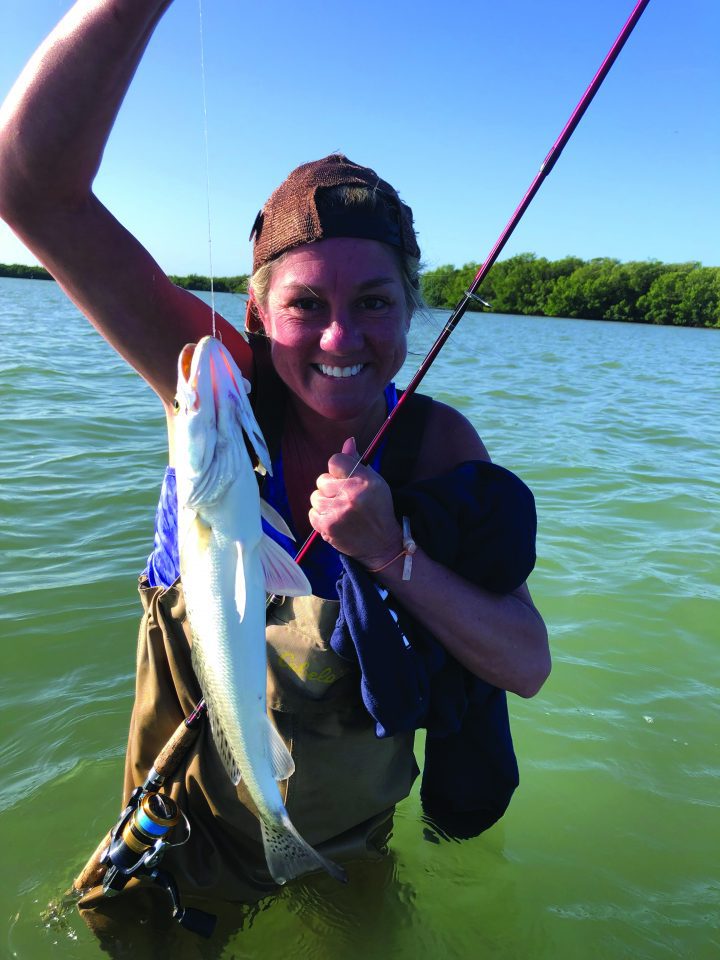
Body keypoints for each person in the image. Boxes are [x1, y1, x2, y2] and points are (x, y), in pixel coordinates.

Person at [0, 0, 550, 944]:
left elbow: (525, 662)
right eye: (304, 306)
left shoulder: (436, 445)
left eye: (374, 302)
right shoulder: (215, 384)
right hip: (185, 826)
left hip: (347, 836)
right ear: (256, 315)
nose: (340, 339)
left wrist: (391, 555)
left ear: (410, 308)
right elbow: (28, 185)